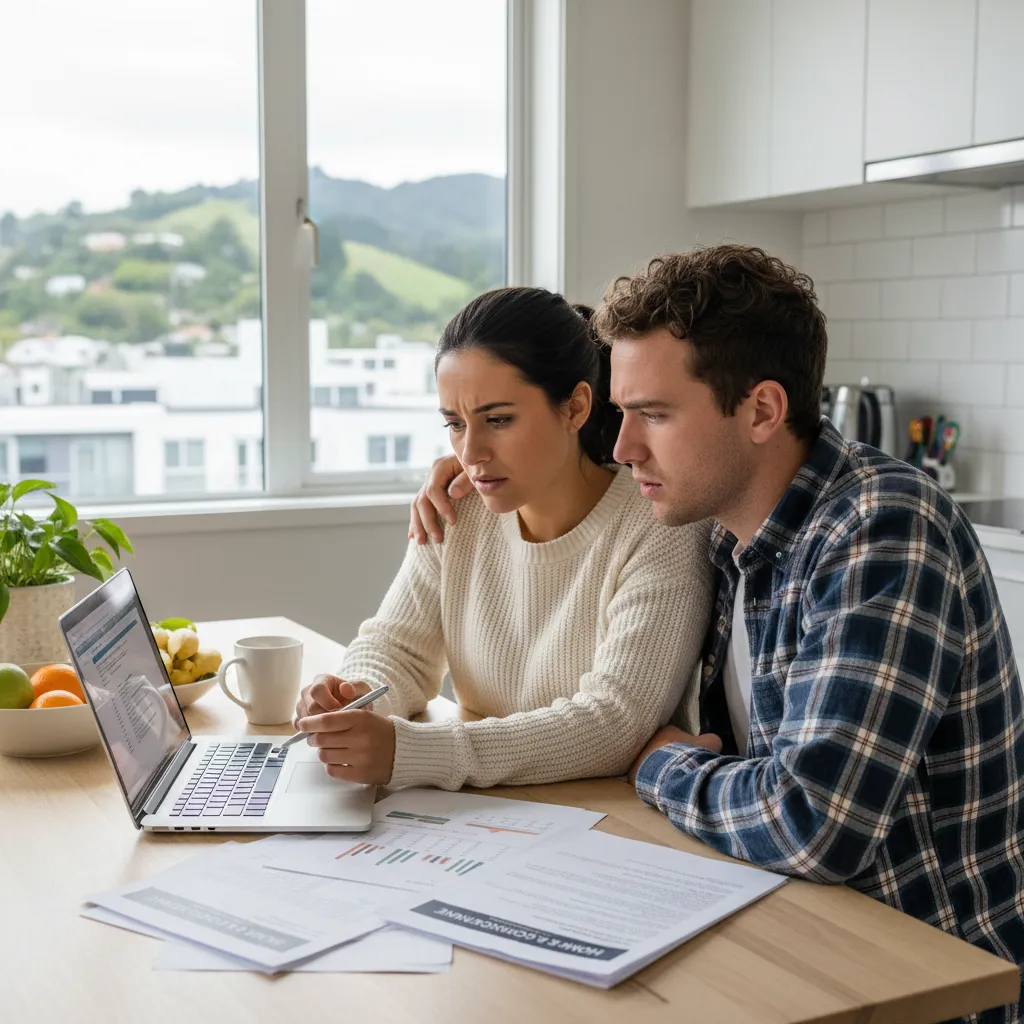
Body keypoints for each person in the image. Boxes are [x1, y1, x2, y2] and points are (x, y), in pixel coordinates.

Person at [411, 247, 1024, 1023]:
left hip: (924, 982)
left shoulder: (882, 529)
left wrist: (663, 765)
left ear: (762, 411)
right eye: (621, 411)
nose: (625, 445)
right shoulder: (729, 534)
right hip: (798, 935)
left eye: (654, 416)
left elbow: (813, 825)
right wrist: (468, 472)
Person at [294, 286, 714, 792]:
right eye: (454, 424)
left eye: (498, 420)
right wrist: (354, 696)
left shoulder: (658, 528)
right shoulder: (457, 507)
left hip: (599, 822)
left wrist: (411, 751)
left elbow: (614, 722)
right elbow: (398, 649)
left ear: (576, 407)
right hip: (474, 818)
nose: (471, 451)